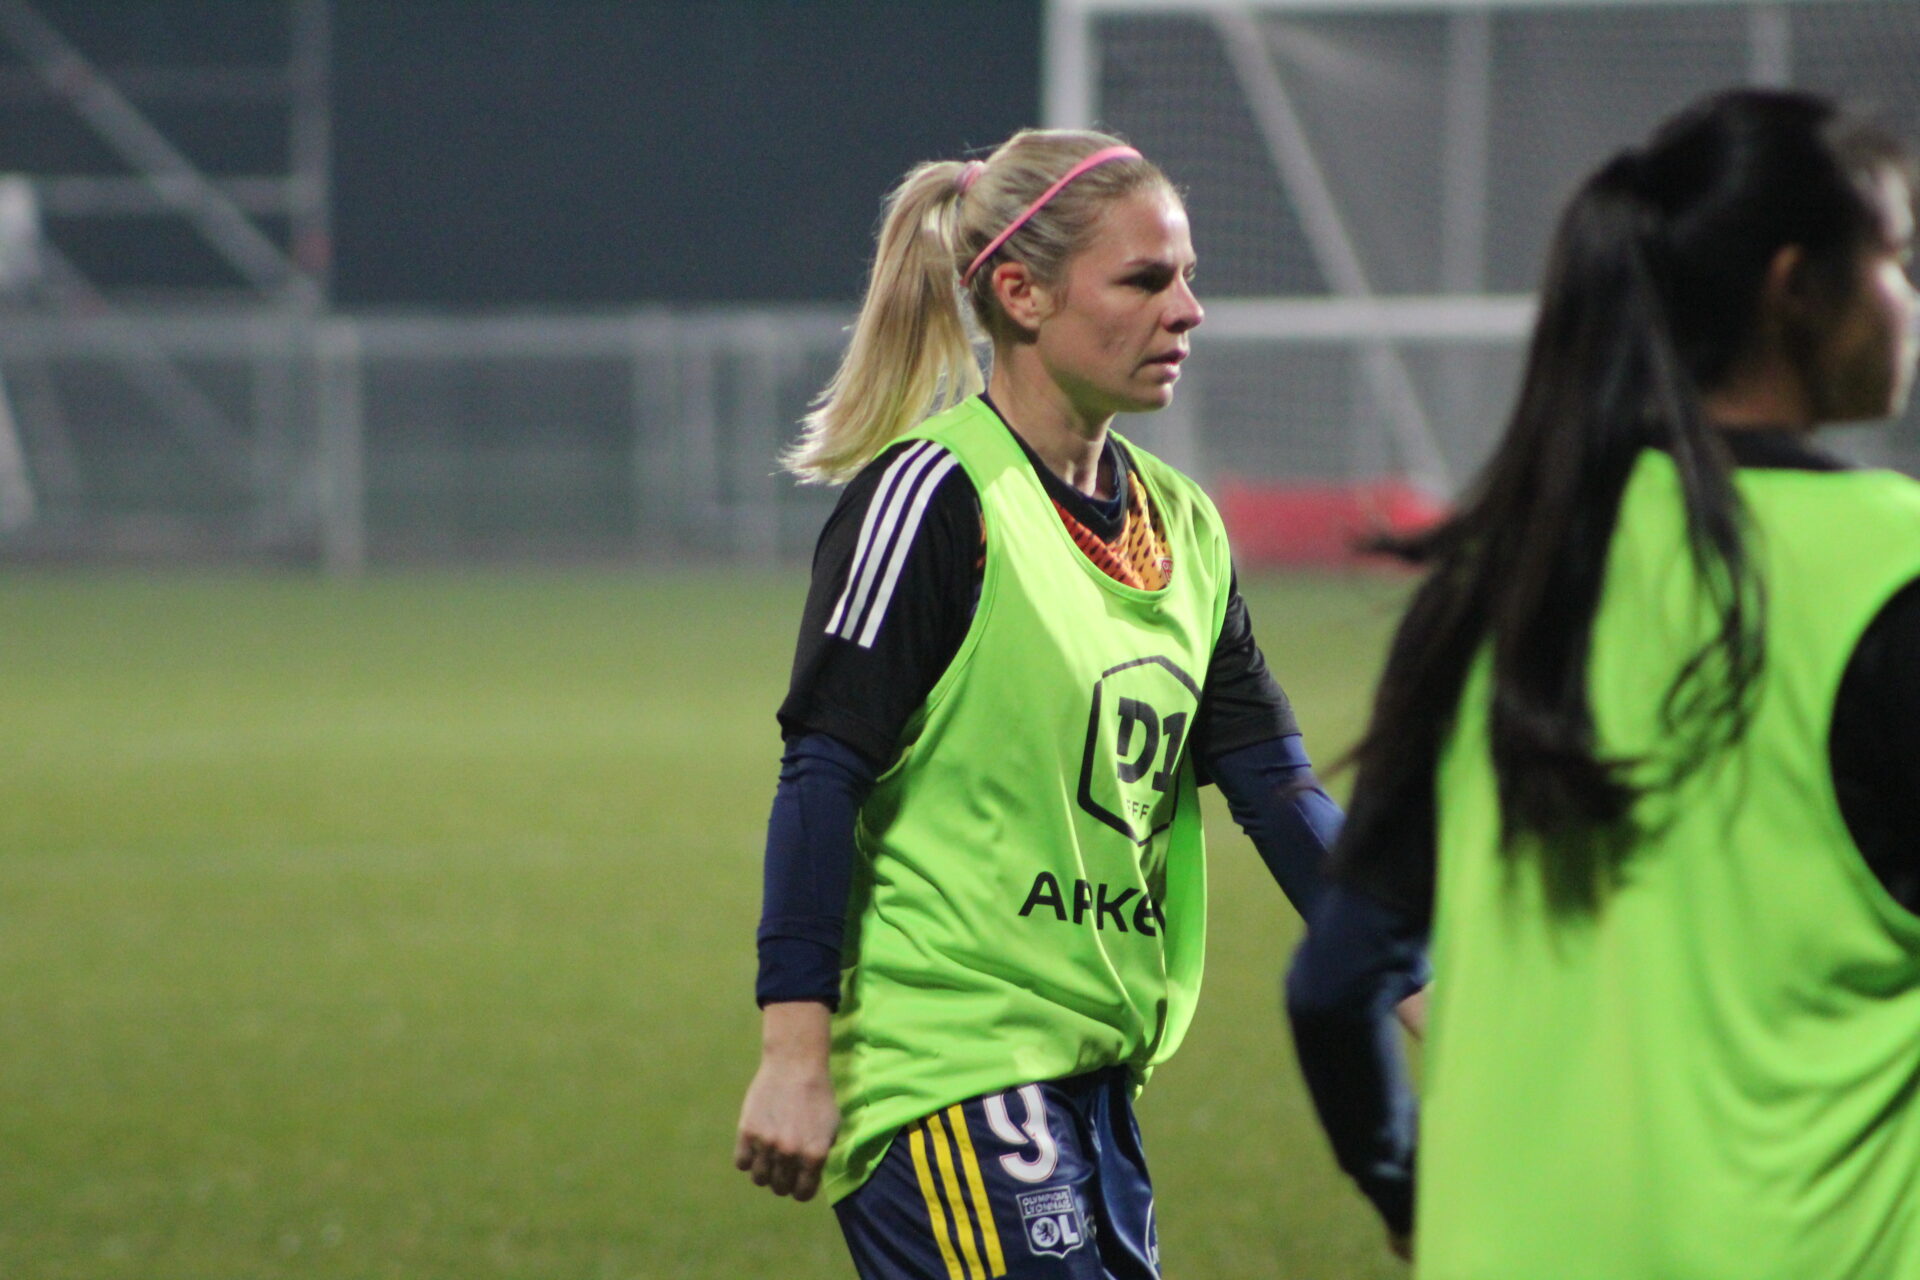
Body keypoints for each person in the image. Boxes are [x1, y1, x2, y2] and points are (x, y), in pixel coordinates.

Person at [1286, 87, 1920, 1278]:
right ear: (1798, 286)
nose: (1910, 302)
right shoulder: (1892, 568)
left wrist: (1403, 1185)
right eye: (1895, 259)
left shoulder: (1504, 573)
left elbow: (1334, 981)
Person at [732, 128, 1364, 1279]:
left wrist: (1414, 978)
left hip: (1093, 1070)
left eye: (1187, 275)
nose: (1189, 310)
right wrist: (793, 1047)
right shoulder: (935, 496)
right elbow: (821, 770)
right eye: (1145, 279)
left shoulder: (1185, 525)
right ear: (1019, 293)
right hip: (952, 1064)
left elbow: (1278, 791)